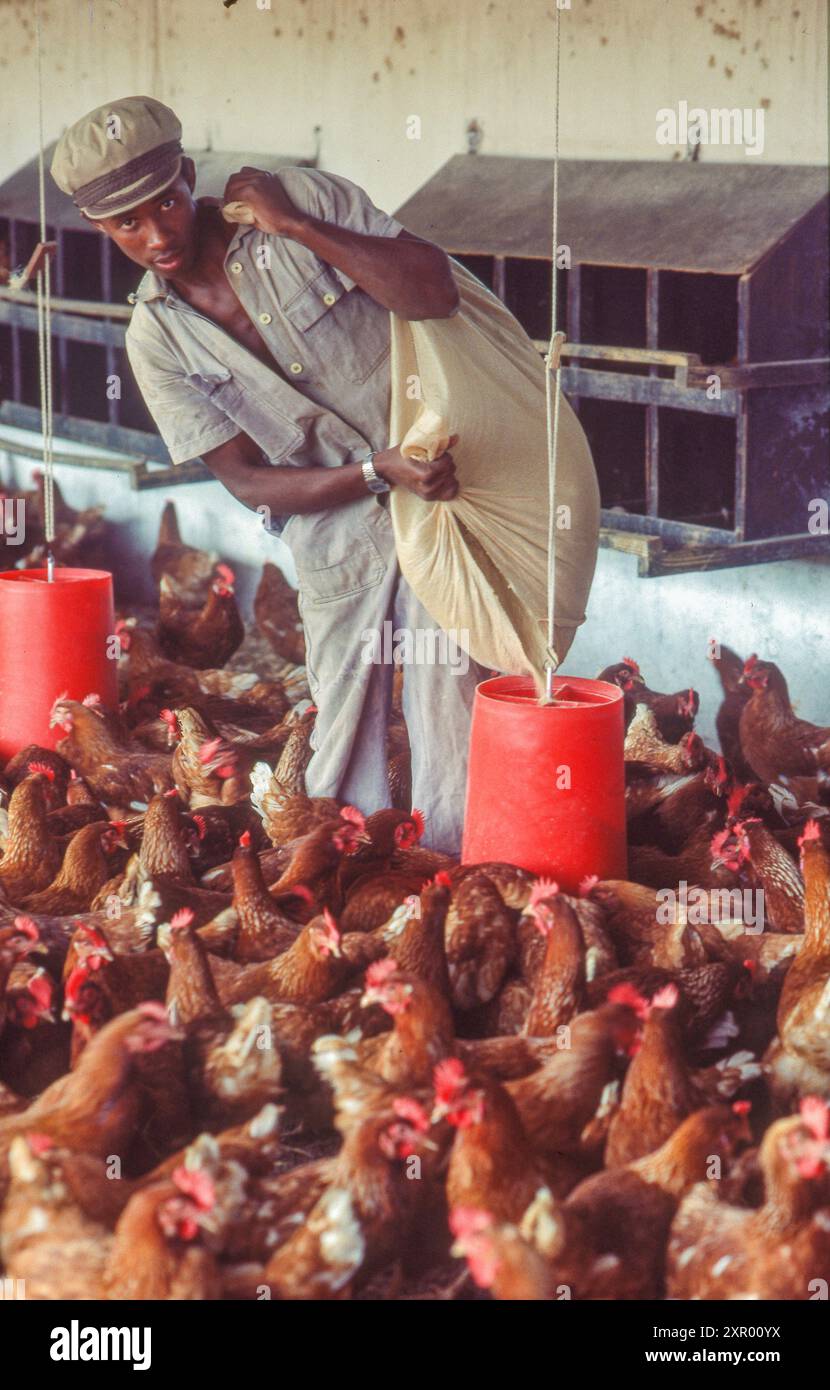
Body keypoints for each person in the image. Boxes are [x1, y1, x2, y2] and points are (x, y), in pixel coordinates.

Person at [50, 96, 493, 852]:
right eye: (128, 224)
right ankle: (346, 879)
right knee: (339, 728)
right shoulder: (156, 342)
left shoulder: (300, 205)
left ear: (190, 177)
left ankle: (456, 870)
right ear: (99, 227)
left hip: (444, 494)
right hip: (337, 534)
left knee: (453, 693)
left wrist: (297, 226)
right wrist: (374, 473)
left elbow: (434, 292)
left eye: (167, 203)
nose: (157, 234)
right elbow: (248, 484)